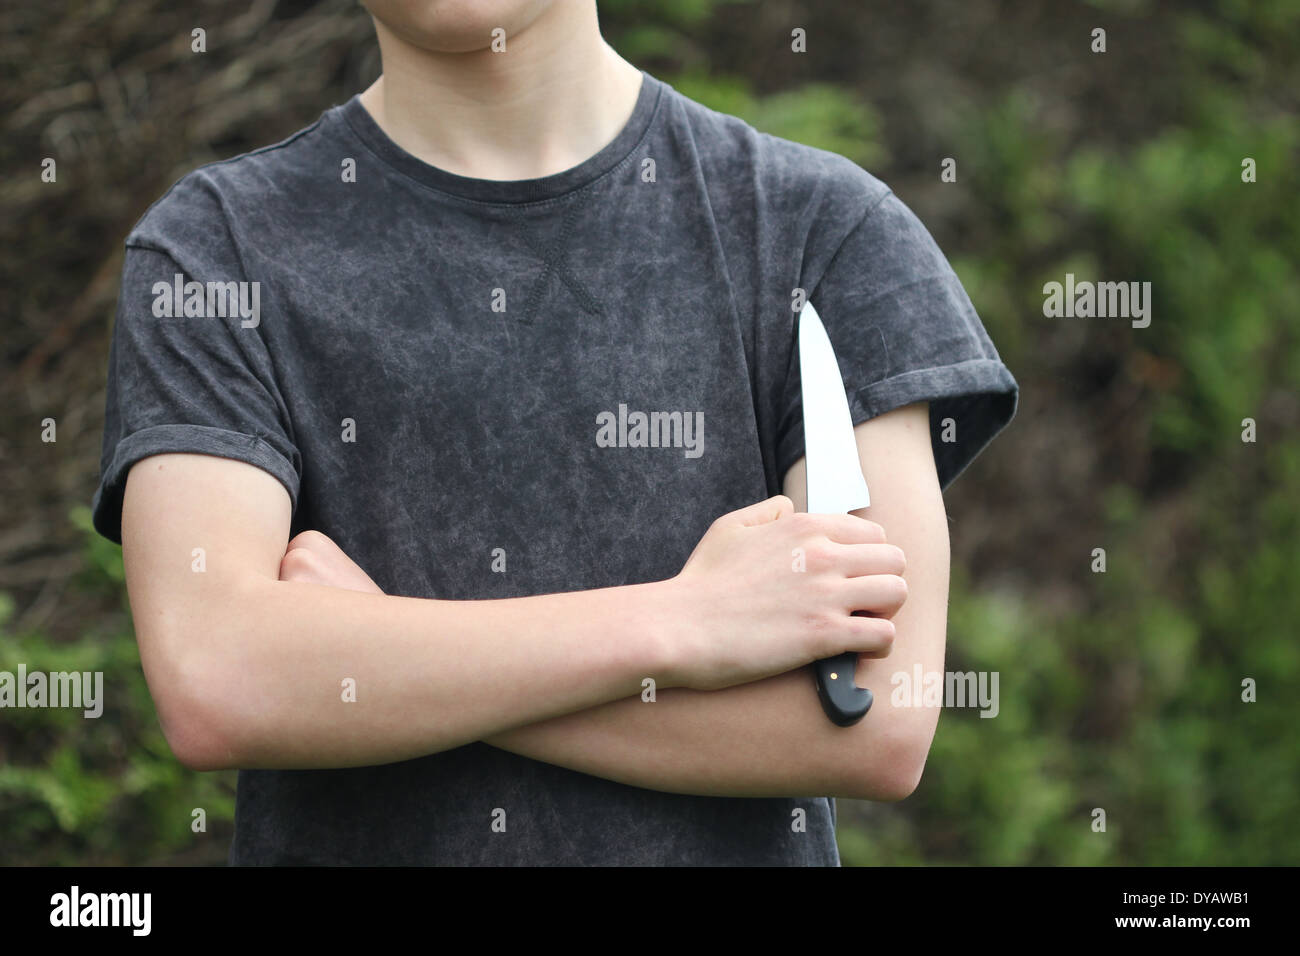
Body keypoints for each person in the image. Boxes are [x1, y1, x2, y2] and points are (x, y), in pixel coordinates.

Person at [92, 0, 1018, 865]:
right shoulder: (213, 253)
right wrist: (683, 624)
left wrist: (380, 658)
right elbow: (220, 683)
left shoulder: (824, 233)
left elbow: (873, 721)